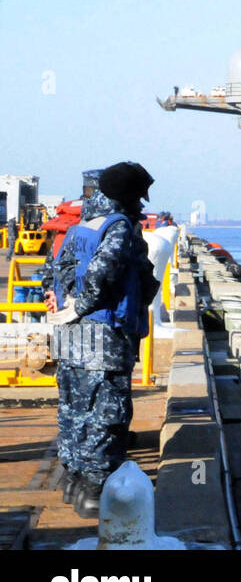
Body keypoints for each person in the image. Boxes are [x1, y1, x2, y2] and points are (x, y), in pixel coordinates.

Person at [46, 162, 158, 519]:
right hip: (103, 333)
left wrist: (70, 306)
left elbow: (60, 269)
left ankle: (74, 478)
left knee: (75, 409)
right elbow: (103, 273)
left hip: (73, 334)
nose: (141, 206)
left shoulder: (80, 226)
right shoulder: (119, 227)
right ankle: (96, 489)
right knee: (107, 412)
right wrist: (85, 305)